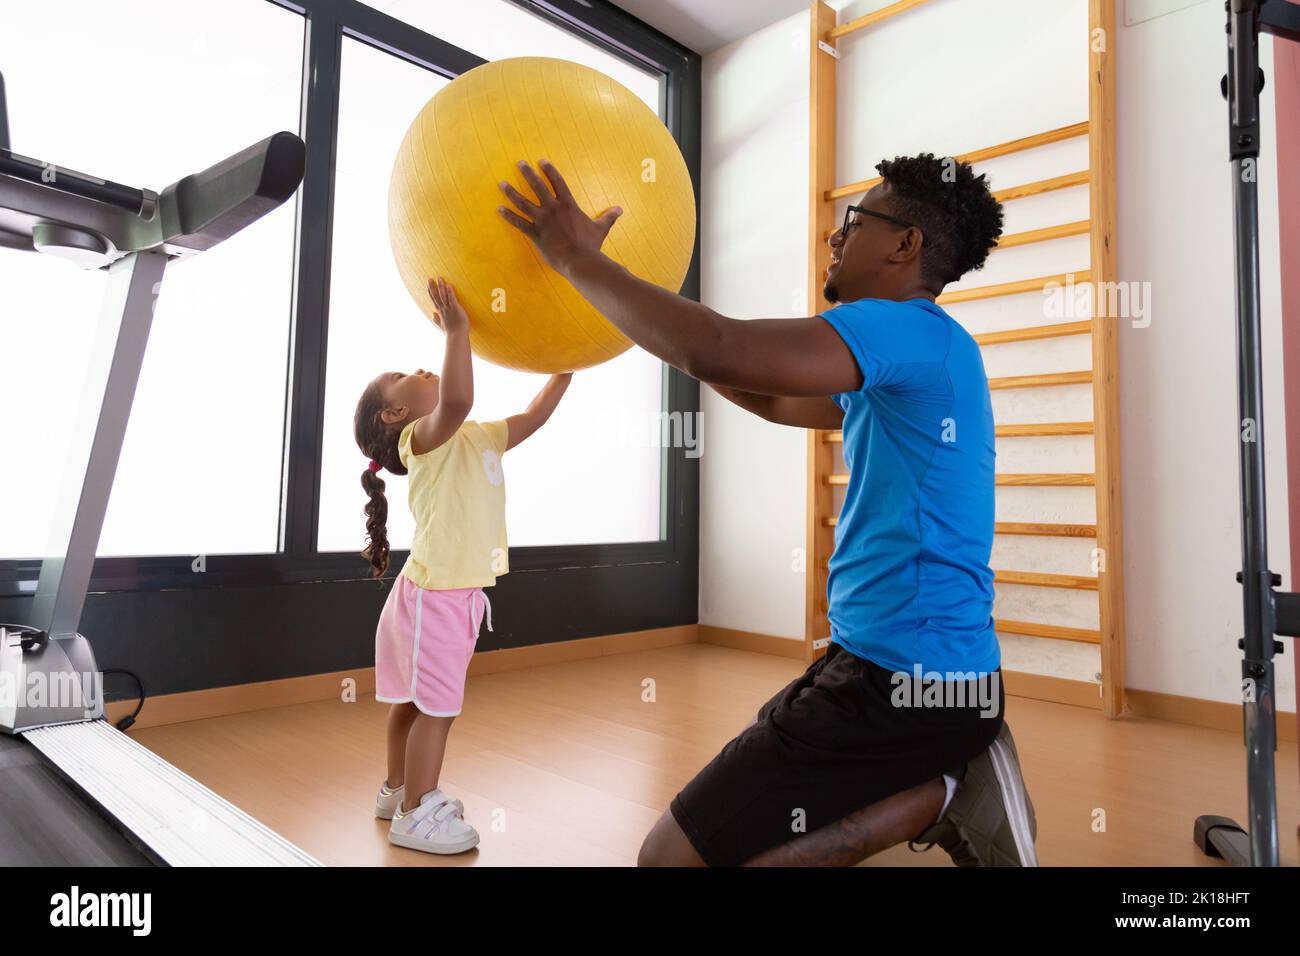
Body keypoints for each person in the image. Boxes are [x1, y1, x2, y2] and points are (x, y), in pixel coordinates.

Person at [496, 152, 1037, 867]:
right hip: (906, 672)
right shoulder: (916, 354)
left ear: (905, 245)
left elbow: (716, 348)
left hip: (907, 685)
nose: (837, 238)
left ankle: (944, 788)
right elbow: (766, 390)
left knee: (665, 860)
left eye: (857, 221)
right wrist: (646, 314)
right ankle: (943, 789)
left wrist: (572, 258)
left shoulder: (905, 329)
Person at [353, 276, 572, 855]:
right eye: (406, 374)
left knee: (414, 702)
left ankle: (396, 788)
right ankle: (416, 815)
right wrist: (457, 330)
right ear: (396, 412)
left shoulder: (476, 438)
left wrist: (567, 367)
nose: (421, 370)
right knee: (438, 710)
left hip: (439, 592)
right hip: (437, 595)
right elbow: (457, 399)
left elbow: (533, 416)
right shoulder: (420, 442)